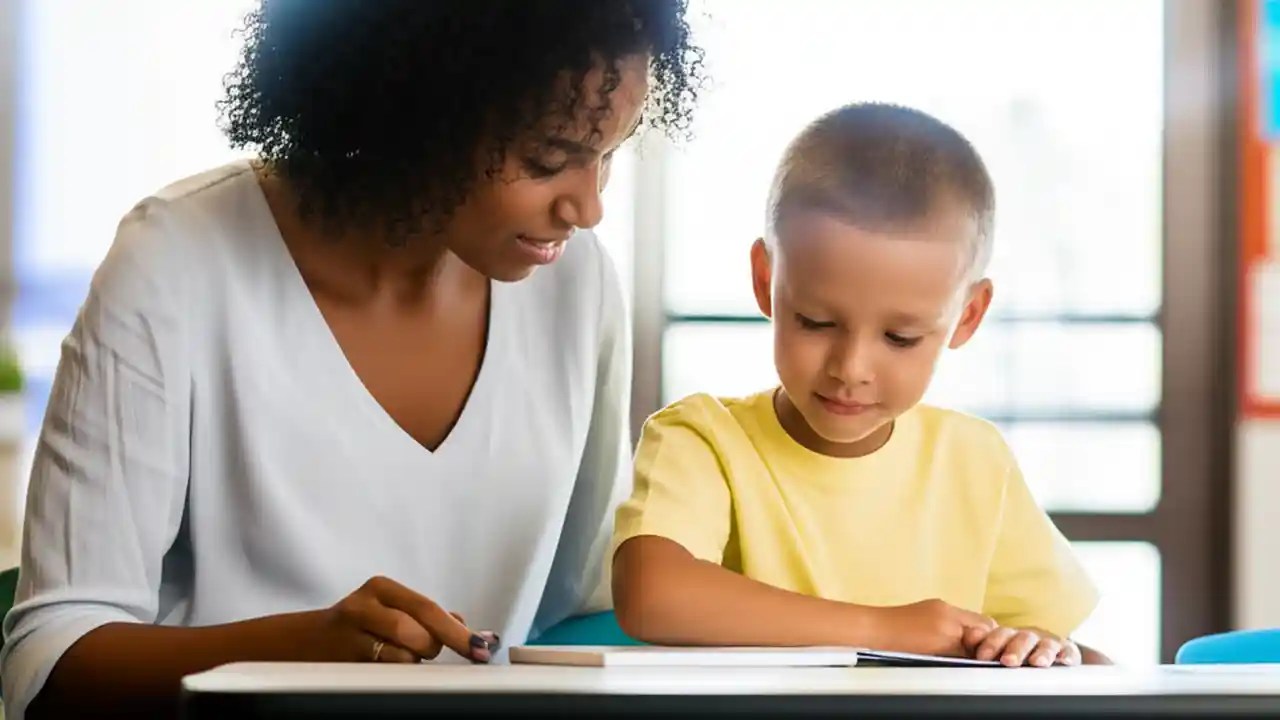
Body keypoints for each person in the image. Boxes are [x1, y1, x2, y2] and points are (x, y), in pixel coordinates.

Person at [0, 1, 703, 717]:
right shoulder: (178, 262)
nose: (588, 208)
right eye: (549, 159)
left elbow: (575, 612)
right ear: (417, 109)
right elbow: (50, 660)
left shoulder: (576, 284)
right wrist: (301, 654)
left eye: (609, 154)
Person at [610, 102, 1110, 668]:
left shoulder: (975, 460)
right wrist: (882, 629)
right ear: (765, 281)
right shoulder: (703, 439)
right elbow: (653, 596)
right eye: (816, 322)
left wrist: (1044, 646)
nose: (851, 367)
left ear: (967, 317)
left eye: (899, 337)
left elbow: (1049, 638)